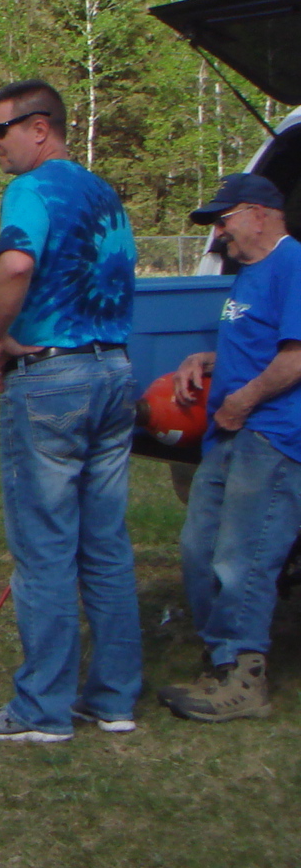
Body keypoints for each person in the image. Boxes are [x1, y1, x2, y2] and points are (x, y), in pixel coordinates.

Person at [0, 79, 140, 744]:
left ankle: (42, 712)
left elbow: (14, 265)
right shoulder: (104, 195)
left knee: (43, 549)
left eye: (1, 129)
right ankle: (113, 699)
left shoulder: (32, 190)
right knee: (105, 546)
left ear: (41, 128)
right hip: (115, 373)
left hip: (53, 379)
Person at [160, 172, 301, 722]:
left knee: (244, 557)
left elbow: (294, 358)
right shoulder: (248, 274)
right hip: (229, 433)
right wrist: (204, 361)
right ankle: (217, 660)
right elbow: (261, 343)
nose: (218, 234)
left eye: (224, 220)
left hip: (272, 435)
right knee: (199, 549)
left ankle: (244, 678)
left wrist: (242, 402)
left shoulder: (293, 263)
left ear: (260, 213)